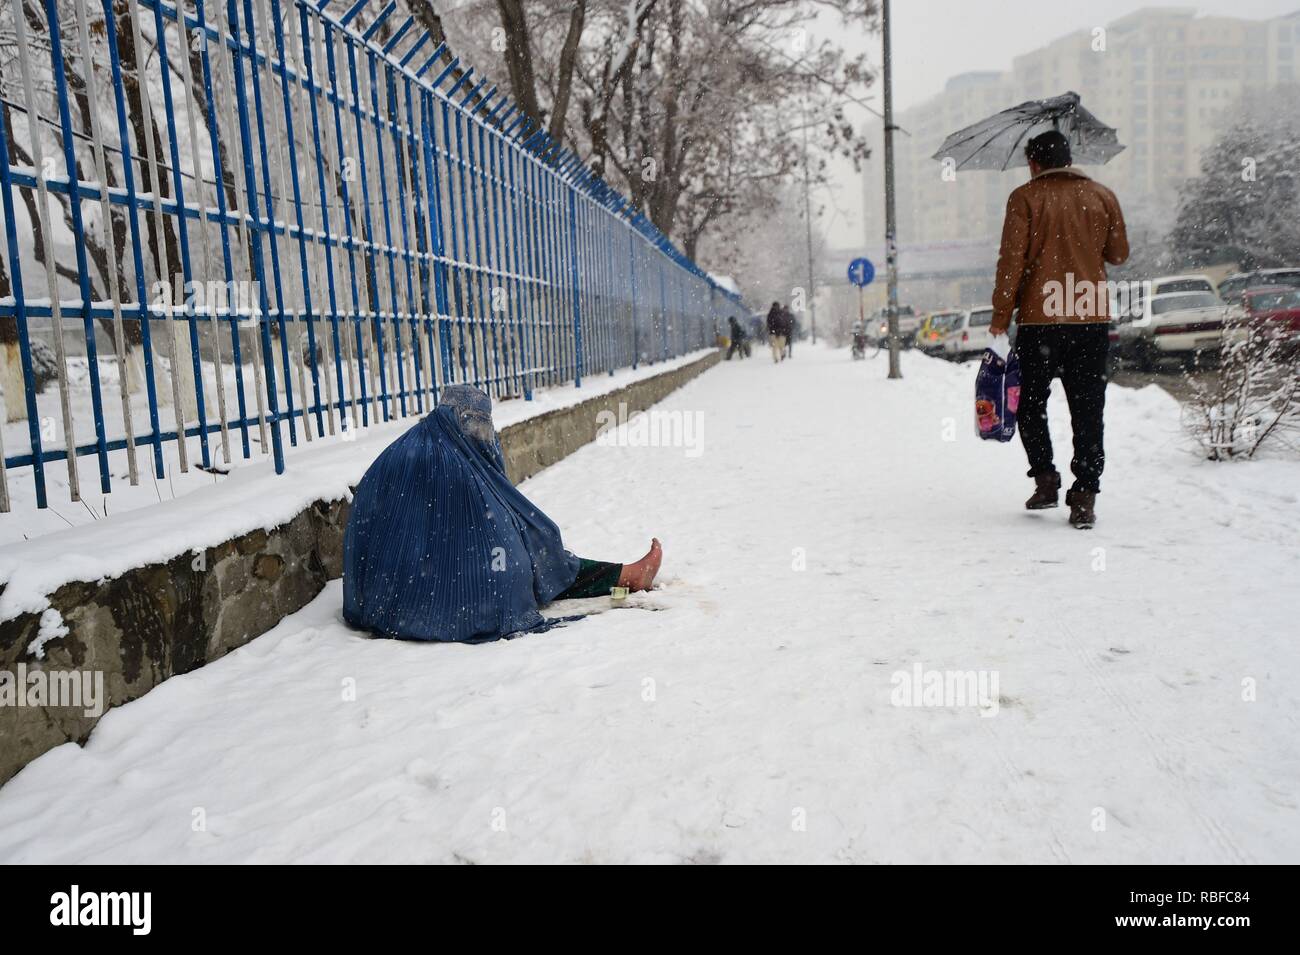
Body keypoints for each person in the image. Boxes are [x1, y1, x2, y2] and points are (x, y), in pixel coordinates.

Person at [343, 385, 663, 642]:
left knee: (532, 555)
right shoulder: (452, 464)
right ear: (458, 420)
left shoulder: (418, 444)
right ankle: (625, 575)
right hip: (433, 595)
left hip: (375, 593)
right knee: (528, 564)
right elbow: (494, 537)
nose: (485, 434)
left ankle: (622, 573)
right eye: (477, 423)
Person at [990, 130, 1128, 529]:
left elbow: (1010, 264)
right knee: (1088, 409)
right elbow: (1119, 254)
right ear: (1069, 159)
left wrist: (1000, 319)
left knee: (1030, 405)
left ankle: (1046, 479)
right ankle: (1085, 495)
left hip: (1040, 322)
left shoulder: (1024, 198)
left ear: (1033, 163)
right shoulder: (1102, 196)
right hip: (1090, 319)